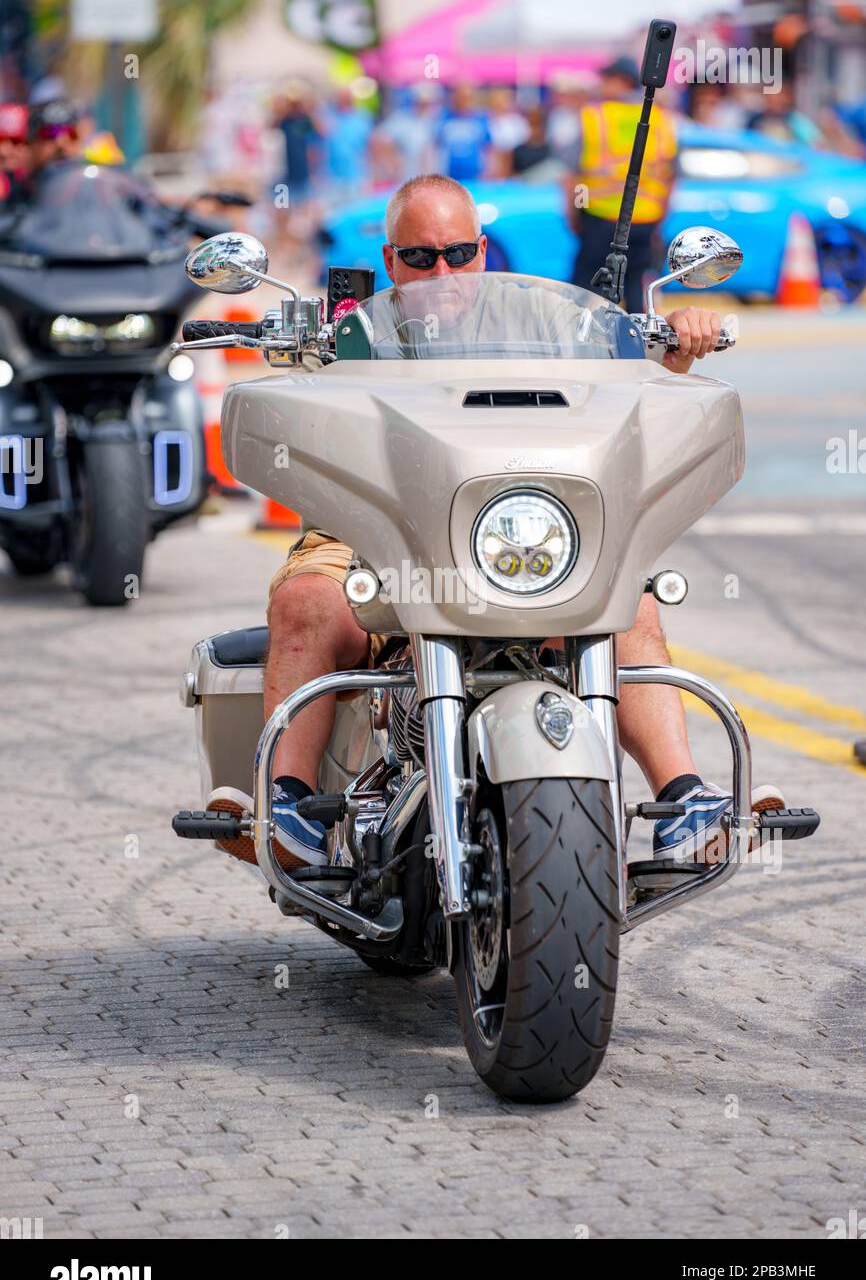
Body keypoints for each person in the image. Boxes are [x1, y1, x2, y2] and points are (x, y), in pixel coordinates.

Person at [209, 174, 782, 875]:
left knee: (623, 597)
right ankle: (289, 811)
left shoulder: (547, 326)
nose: (441, 274)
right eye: (420, 259)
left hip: (511, 536)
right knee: (304, 599)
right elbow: (289, 391)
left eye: (456, 253)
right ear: (390, 261)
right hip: (371, 540)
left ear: (482, 252)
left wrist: (679, 344)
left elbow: (626, 378)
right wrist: (285, 345)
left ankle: (684, 801)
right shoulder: (349, 332)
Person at [566, 55, 678, 313]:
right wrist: (661, 216)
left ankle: (584, 343)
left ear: (622, 81)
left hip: (600, 217)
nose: (601, 84)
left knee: (586, 289)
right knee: (637, 285)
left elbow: (571, 174)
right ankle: (640, 346)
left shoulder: (593, 116)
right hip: (645, 219)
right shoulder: (662, 119)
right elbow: (671, 175)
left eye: (607, 79)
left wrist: (574, 211)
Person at [437, 84, 492, 181]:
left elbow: (488, 148)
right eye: (460, 97)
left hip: (475, 174)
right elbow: (436, 146)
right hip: (448, 174)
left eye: (467, 98)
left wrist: (488, 172)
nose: (463, 101)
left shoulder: (481, 120)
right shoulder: (444, 118)